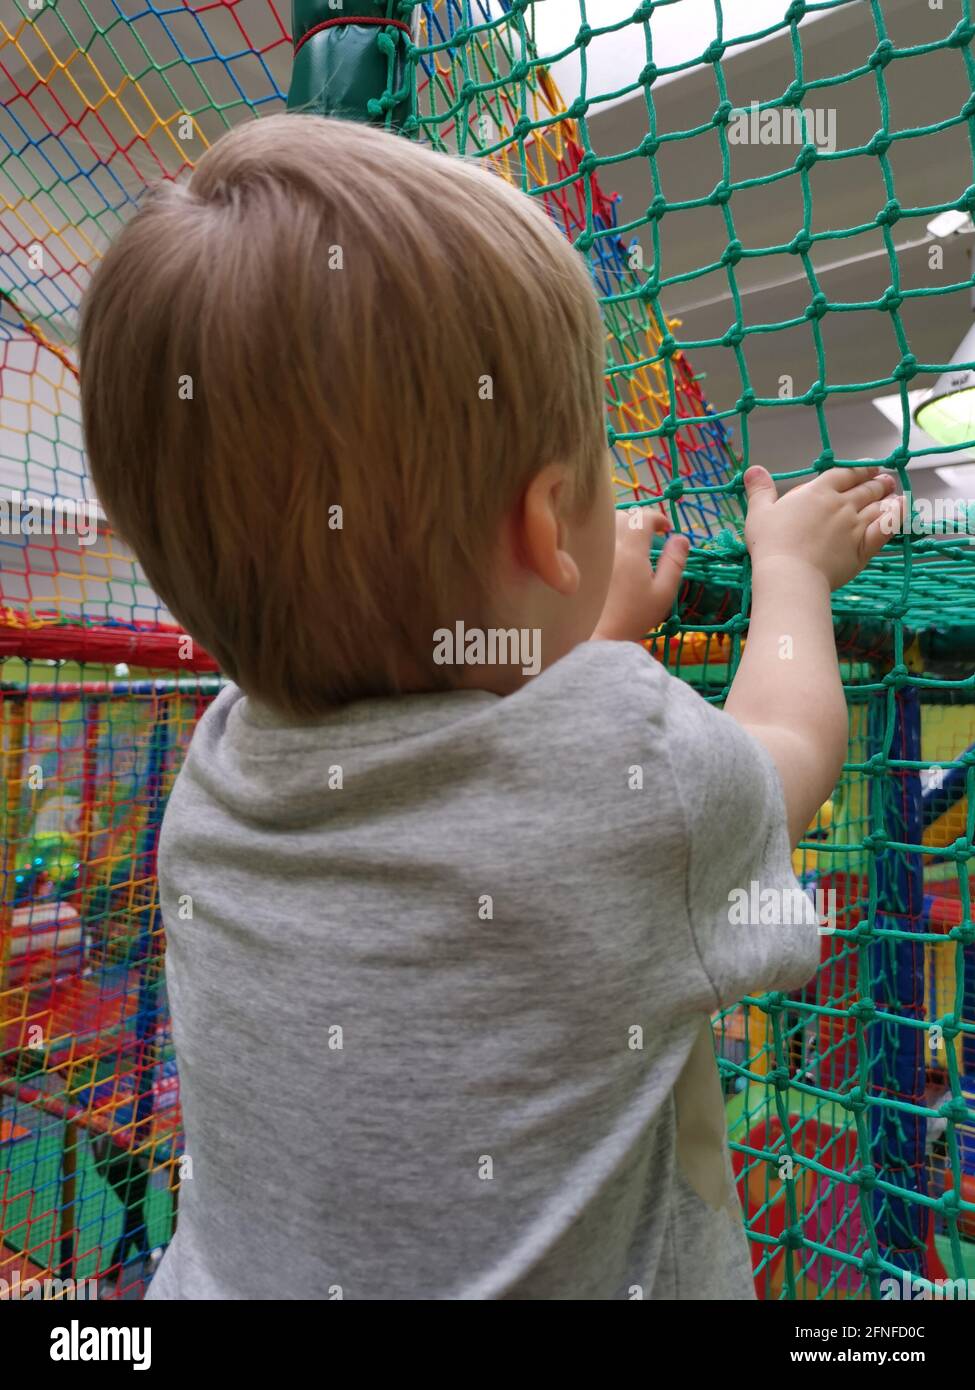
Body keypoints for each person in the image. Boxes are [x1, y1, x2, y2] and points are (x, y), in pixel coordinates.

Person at [79, 113, 901, 1299]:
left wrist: (581, 630)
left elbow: (477, 782)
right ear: (547, 522)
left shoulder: (214, 787)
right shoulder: (634, 760)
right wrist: (793, 572)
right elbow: (789, 746)